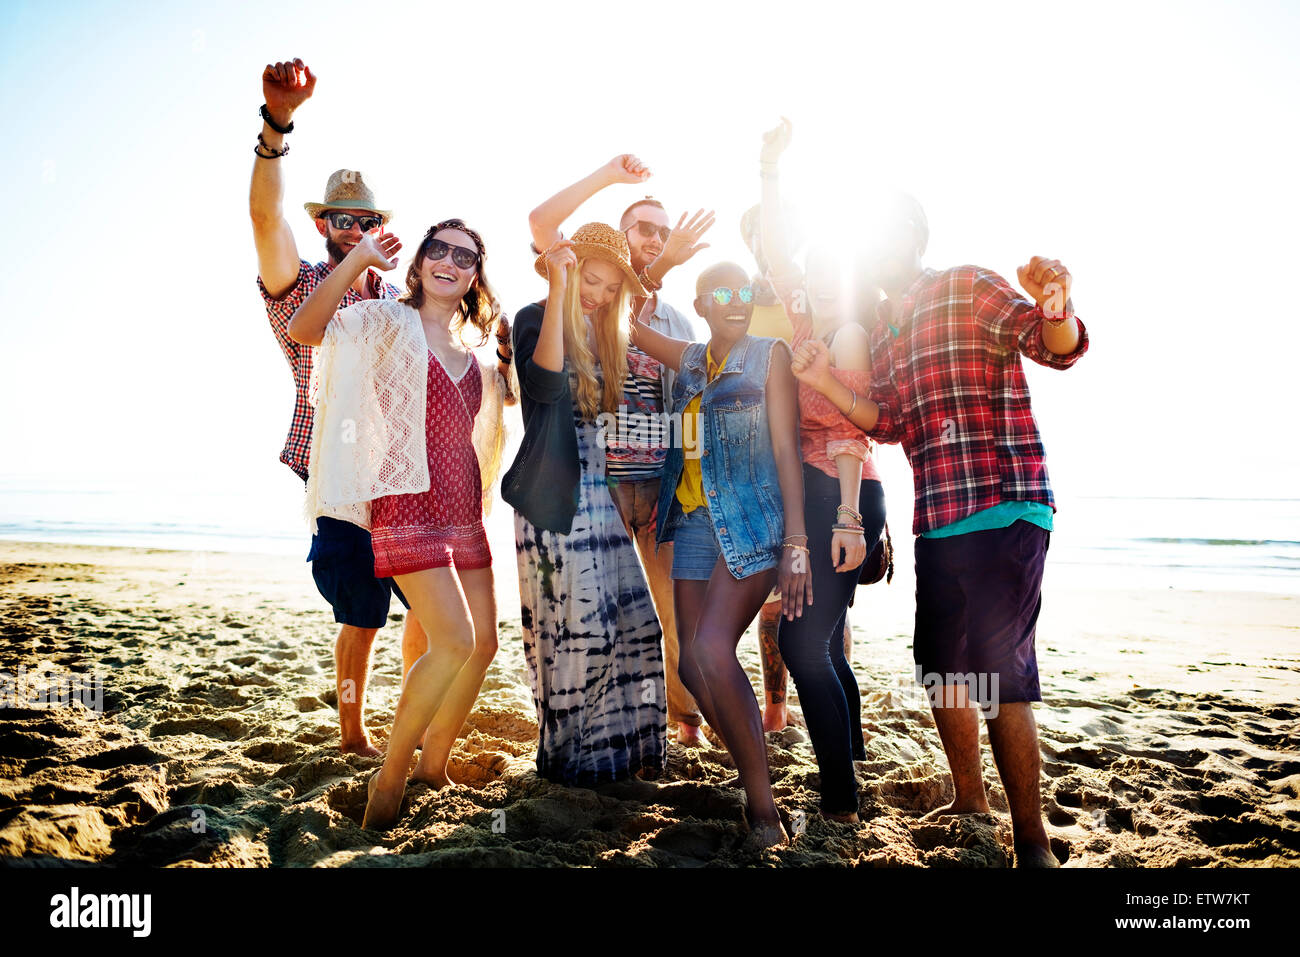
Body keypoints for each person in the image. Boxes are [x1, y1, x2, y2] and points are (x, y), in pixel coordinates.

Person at [790, 188, 1089, 867]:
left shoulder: (966, 285)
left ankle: (1033, 840)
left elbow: (1054, 346)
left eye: (893, 233)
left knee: (1000, 676)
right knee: (944, 671)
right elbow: (888, 421)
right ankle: (969, 798)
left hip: (1005, 504)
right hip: (941, 518)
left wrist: (1055, 306)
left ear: (917, 238)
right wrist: (826, 381)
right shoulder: (888, 328)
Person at [288, 220, 509, 830]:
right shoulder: (386, 322)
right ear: (418, 264)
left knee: (484, 645)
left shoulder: (473, 350)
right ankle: (387, 782)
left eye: (465, 257)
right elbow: (306, 330)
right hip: (407, 503)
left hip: (464, 508)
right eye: (438, 249)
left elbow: (498, 410)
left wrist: (508, 364)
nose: (450, 261)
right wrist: (358, 256)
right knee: (455, 641)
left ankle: (431, 767)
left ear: (473, 277)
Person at [250, 57, 423, 757]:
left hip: (402, 467)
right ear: (326, 226)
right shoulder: (301, 282)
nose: (354, 229)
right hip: (333, 468)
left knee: (425, 601)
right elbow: (264, 214)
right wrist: (277, 123)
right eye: (342, 220)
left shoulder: (399, 301)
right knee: (361, 608)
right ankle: (352, 730)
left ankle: (411, 712)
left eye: (366, 220)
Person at [527, 157, 712, 747]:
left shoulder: (671, 316)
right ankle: (594, 727)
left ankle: (686, 721)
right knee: (599, 616)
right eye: (645, 229)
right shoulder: (576, 305)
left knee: (679, 611)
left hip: (657, 489)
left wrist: (682, 480)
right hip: (597, 488)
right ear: (624, 234)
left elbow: (688, 408)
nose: (655, 238)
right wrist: (610, 173)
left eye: (662, 231)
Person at [633, 261, 809, 849]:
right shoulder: (689, 362)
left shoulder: (769, 355)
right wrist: (655, 264)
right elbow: (632, 326)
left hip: (753, 521)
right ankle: (749, 759)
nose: (738, 302)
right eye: (724, 294)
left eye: (747, 292)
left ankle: (762, 809)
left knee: (711, 647)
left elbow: (787, 449)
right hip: (691, 524)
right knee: (689, 664)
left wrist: (798, 542)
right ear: (702, 302)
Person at [757, 120, 888, 822]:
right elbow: (776, 248)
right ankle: (855, 756)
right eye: (809, 273)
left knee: (805, 639)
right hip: (811, 490)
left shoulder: (848, 333)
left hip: (843, 489)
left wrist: (847, 519)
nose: (812, 281)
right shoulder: (806, 324)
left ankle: (840, 796)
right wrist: (770, 167)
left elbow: (850, 434)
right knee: (825, 638)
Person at [504, 222, 667, 785]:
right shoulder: (534, 318)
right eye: (589, 280)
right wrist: (559, 285)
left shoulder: (608, 336)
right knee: (580, 638)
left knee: (640, 629)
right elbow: (545, 388)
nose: (597, 295)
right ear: (570, 270)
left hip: (600, 498)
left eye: (608, 288)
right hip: (551, 501)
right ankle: (568, 769)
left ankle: (622, 758)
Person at [739, 201, 858, 735]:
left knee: (825, 609)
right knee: (775, 591)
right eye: (761, 237)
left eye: (779, 237)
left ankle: (832, 707)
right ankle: (774, 705)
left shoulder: (808, 302)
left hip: (820, 463)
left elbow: (851, 408)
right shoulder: (737, 296)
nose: (768, 245)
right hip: (756, 463)